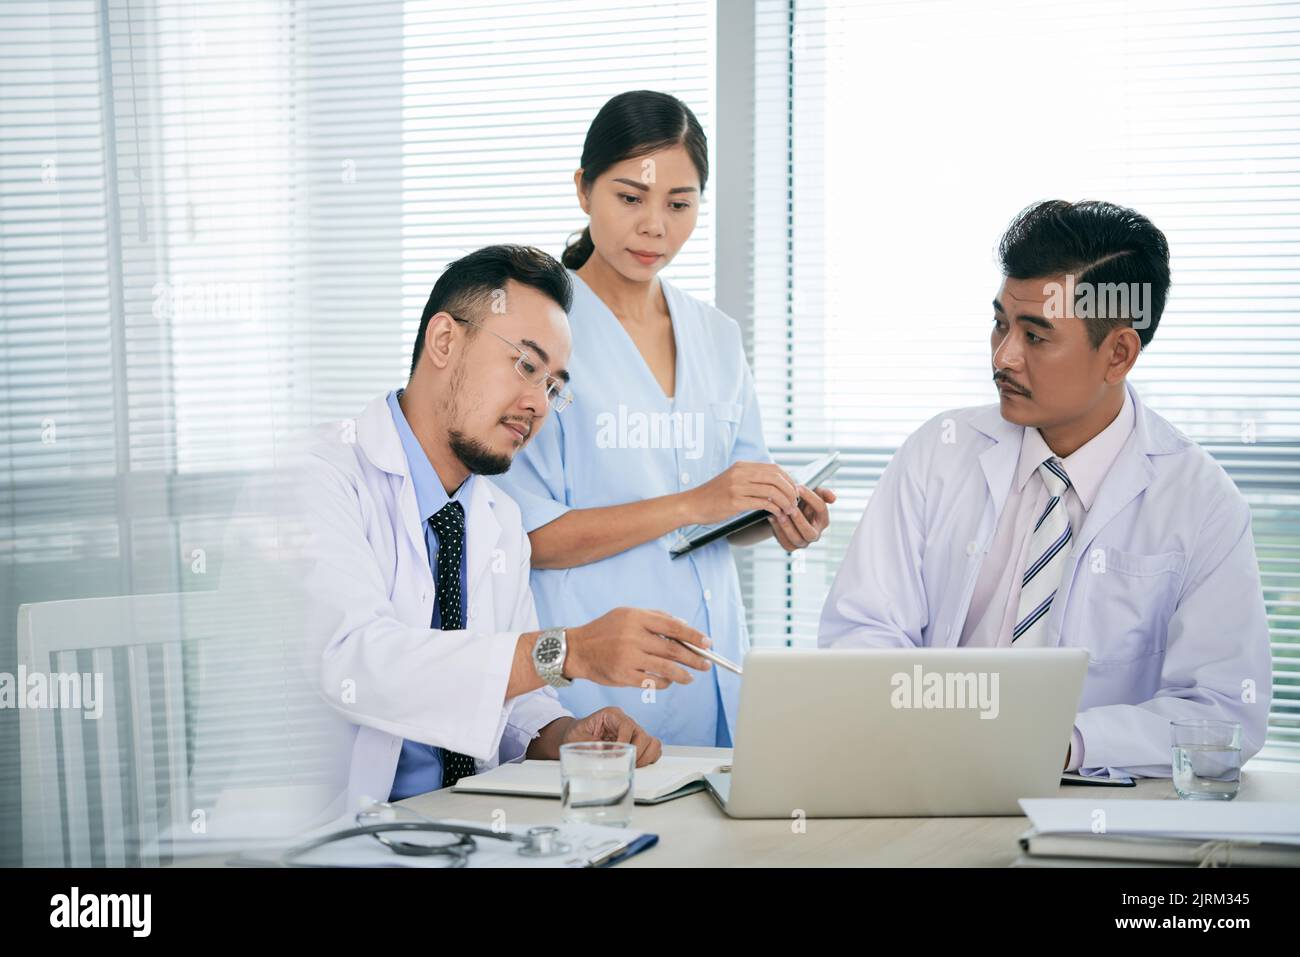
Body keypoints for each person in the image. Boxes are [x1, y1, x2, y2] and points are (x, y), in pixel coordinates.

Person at [819, 200, 1272, 778]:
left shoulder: (1200, 502)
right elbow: (862, 631)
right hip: (925, 778)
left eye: (1035, 336)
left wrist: (1059, 743)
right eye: (1000, 324)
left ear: (1118, 354)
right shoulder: (938, 452)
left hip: (1096, 797)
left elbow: (1223, 712)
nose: (1003, 356)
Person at [299, 244, 714, 807]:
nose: (538, 404)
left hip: (467, 822)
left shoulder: (498, 517)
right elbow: (353, 661)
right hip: (346, 830)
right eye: (525, 365)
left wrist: (568, 738)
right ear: (444, 341)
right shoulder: (323, 474)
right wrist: (566, 651)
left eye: (553, 386)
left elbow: (514, 706)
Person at [494, 91, 835, 747]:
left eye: (679, 204)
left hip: (709, 667)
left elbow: (725, 510)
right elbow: (525, 536)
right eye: (630, 197)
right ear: (583, 189)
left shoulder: (717, 336)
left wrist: (776, 514)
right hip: (591, 683)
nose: (654, 226)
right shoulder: (538, 335)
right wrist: (693, 502)